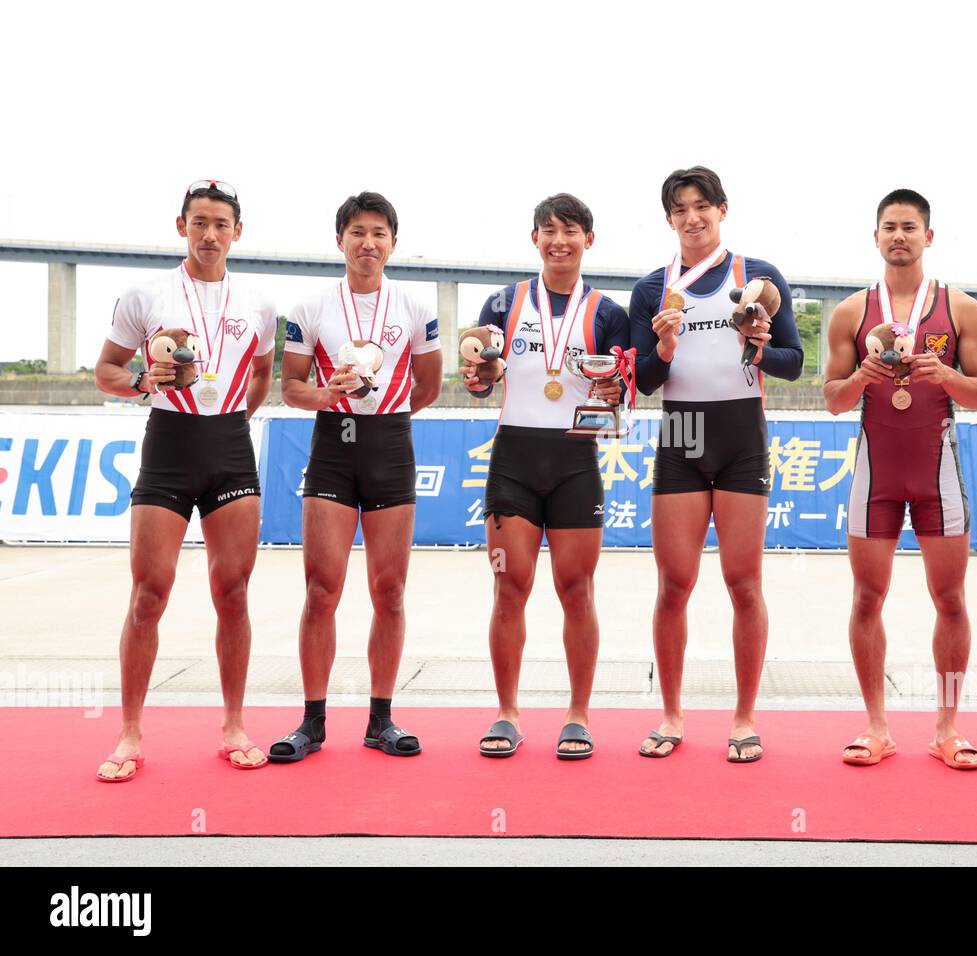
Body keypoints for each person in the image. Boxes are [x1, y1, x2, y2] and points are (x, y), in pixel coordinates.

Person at [92, 180, 278, 780]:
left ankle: (233, 723)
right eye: (199, 222)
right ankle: (128, 734)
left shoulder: (258, 304)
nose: (210, 234)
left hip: (229, 446)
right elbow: (105, 371)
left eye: (221, 224)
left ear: (237, 233)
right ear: (182, 227)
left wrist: (230, 422)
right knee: (150, 593)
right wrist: (148, 382)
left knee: (234, 592)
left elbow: (262, 372)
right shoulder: (145, 295)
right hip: (168, 444)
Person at [630, 166, 803, 762]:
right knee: (674, 584)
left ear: (722, 210)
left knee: (743, 582)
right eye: (680, 209)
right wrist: (663, 349)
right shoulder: (653, 288)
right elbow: (645, 383)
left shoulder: (757, 277)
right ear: (669, 219)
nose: (692, 217)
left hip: (740, 434)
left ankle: (745, 718)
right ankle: (672, 715)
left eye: (702, 206)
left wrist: (753, 343)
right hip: (680, 430)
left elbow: (792, 363)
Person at [822, 189, 977, 769]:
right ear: (876, 237)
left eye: (910, 227)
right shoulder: (850, 312)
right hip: (876, 478)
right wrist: (862, 377)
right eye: (889, 227)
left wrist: (943, 374)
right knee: (868, 597)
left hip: (937, 476)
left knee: (949, 598)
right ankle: (876, 726)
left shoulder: (960, 308)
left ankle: (947, 726)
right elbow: (833, 402)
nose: (900, 236)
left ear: (929, 236)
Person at [269, 191, 442, 762]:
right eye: (357, 233)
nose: (368, 243)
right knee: (322, 590)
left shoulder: (416, 307)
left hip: (390, 447)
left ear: (393, 242)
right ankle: (312, 723)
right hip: (332, 449)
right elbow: (291, 387)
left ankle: (380, 720)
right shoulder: (311, 306)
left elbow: (429, 386)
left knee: (389, 592)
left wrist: (383, 420)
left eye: (379, 233)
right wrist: (330, 395)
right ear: (339, 239)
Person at [464, 193, 631, 759]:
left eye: (572, 230)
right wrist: (478, 375)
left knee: (577, 590)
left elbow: (623, 394)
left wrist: (616, 391)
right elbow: (480, 380)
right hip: (513, 461)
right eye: (549, 230)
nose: (560, 240)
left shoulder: (609, 311)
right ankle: (507, 712)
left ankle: (578, 714)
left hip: (576, 461)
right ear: (534, 238)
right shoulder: (503, 301)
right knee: (509, 589)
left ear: (590, 239)